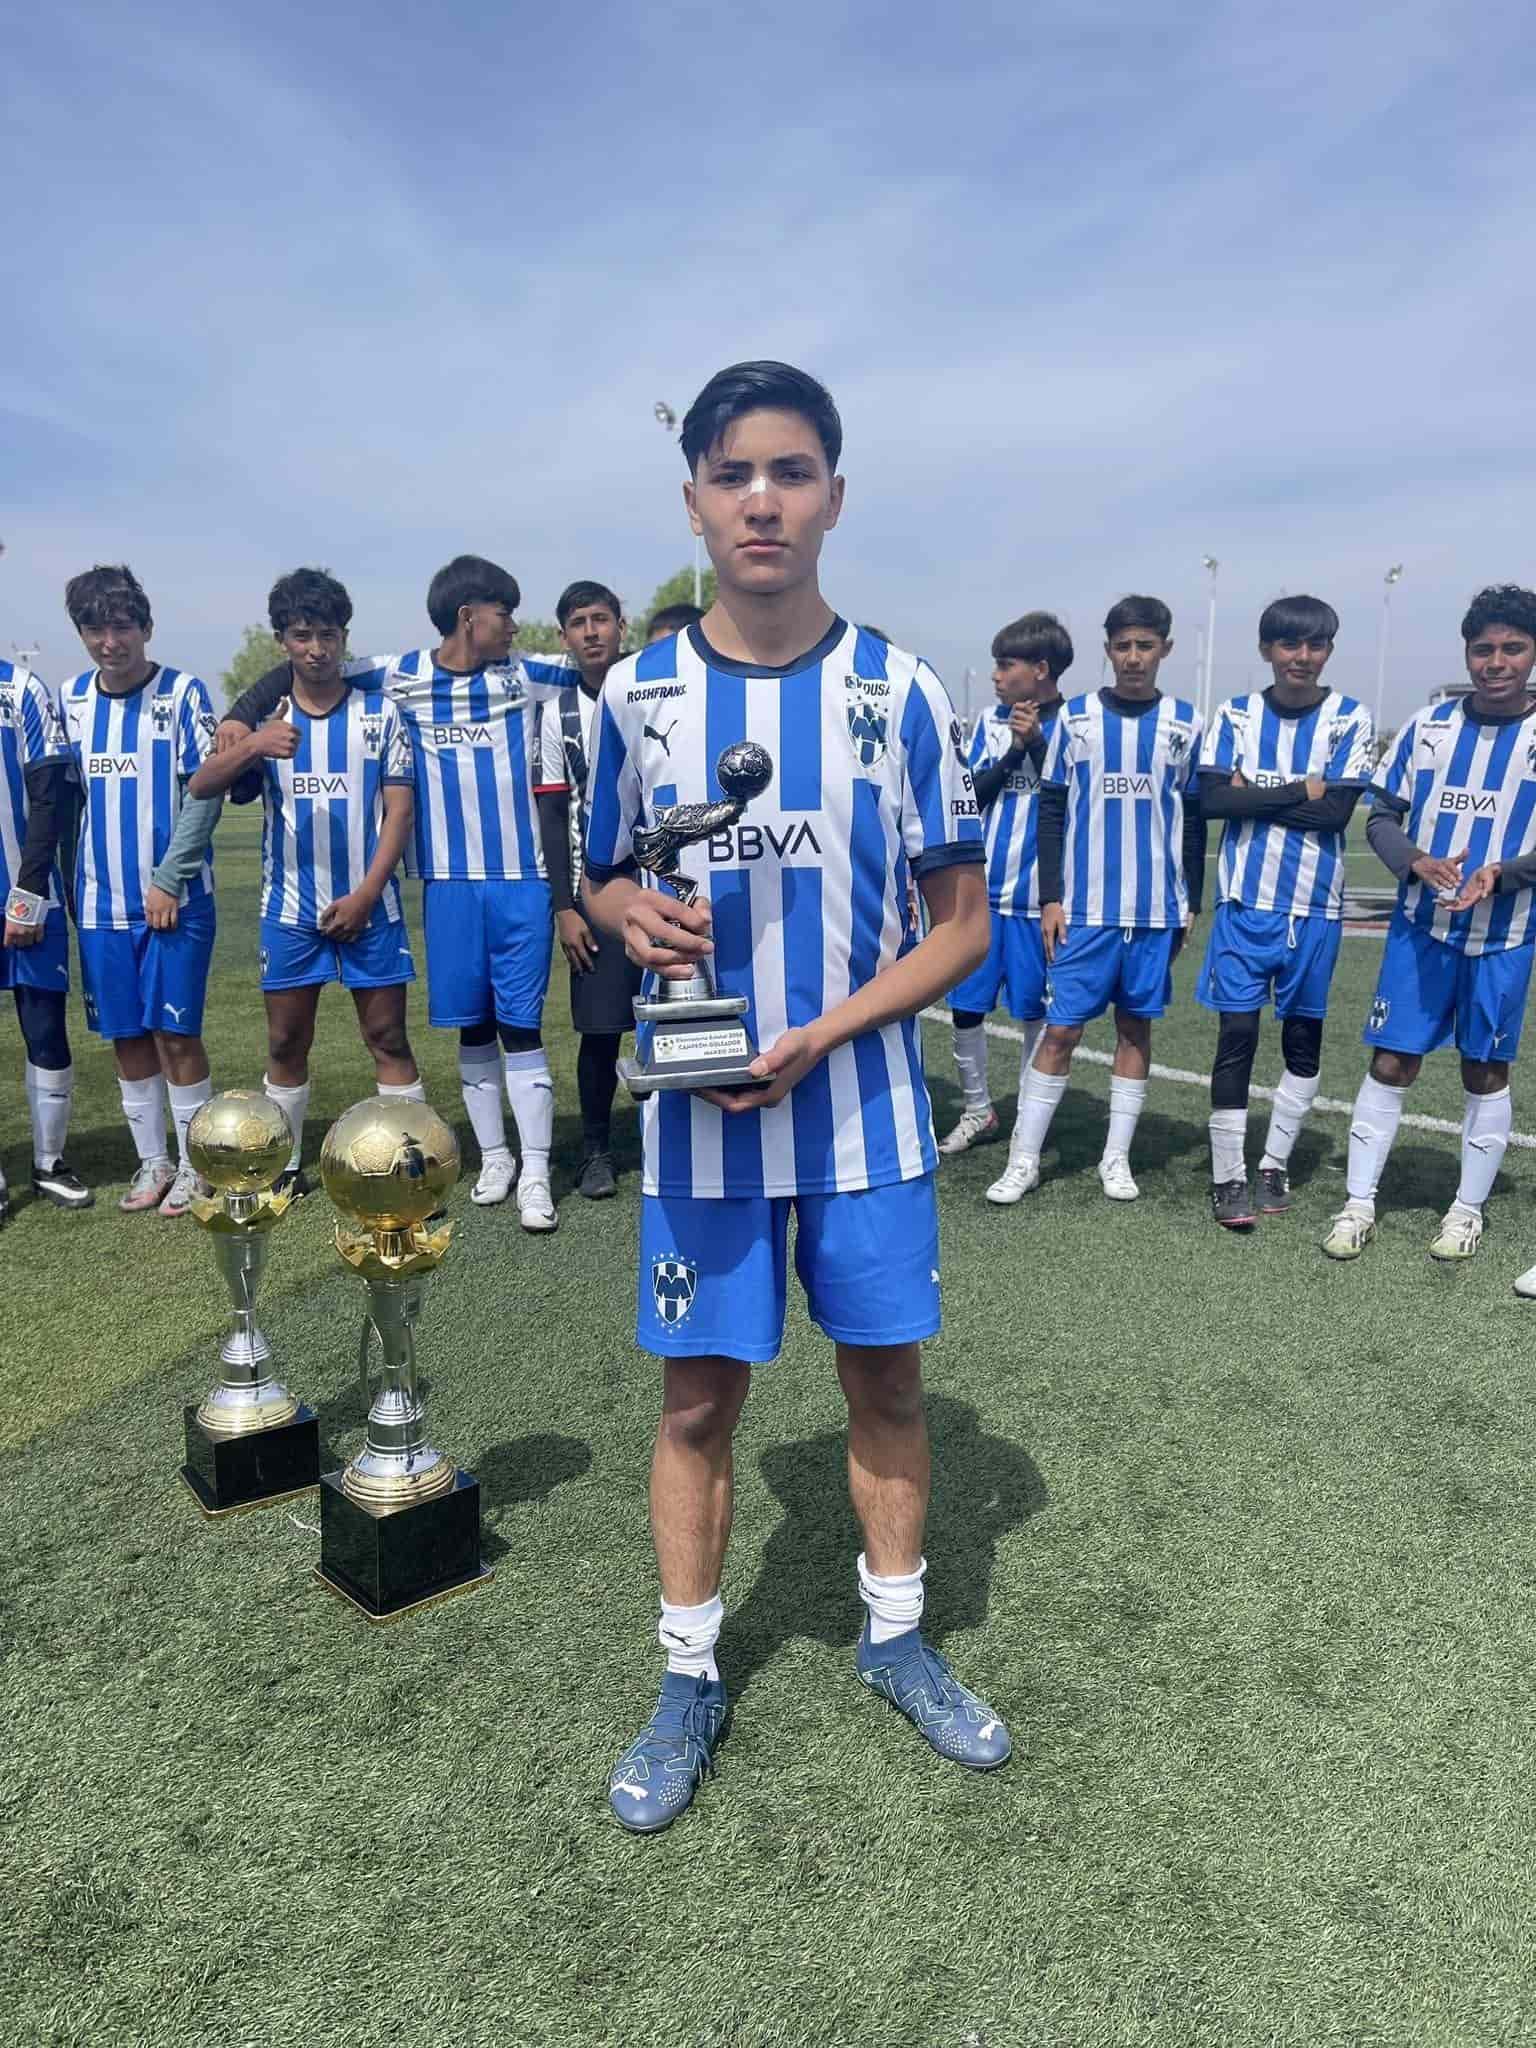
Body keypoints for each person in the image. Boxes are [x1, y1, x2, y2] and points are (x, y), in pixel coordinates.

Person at [583, 359, 1010, 1835]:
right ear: (693, 497)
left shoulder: (900, 689)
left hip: (866, 1115)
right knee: (699, 1398)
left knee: (885, 1379)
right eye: (732, 474)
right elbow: (606, 871)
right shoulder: (633, 693)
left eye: (791, 471)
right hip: (700, 1124)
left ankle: (895, 1638)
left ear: (834, 492)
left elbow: (965, 926)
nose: (761, 500)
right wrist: (621, 910)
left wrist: (827, 1031)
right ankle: (690, 1674)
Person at [218, 556, 571, 1232]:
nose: (514, 626)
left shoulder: (524, 675)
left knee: (519, 1028)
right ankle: (493, 1159)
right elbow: (298, 667)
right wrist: (241, 716)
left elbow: (598, 667)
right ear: (471, 616)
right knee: (471, 1027)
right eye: (505, 613)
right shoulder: (400, 675)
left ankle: (536, 1171)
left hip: (520, 878)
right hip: (444, 884)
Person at [189, 568, 423, 1197]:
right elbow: (201, 785)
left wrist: (368, 894)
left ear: (344, 637)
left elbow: (398, 812)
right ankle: (283, 1168)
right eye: (301, 635)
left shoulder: (381, 715)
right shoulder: (266, 721)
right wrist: (253, 744)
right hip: (288, 910)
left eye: (327, 634)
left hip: (371, 905)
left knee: (388, 1036)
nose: (316, 649)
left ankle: (408, 1168)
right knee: (287, 1041)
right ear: (282, 642)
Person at [1325, 585, 1536, 1264]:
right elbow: (1381, 815)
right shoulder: (1429, 727)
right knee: (1391, 1060)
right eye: (1484, 649)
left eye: (1513, 648)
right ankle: (1358, 1204)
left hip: (1504, 934)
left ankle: (1465, 1212)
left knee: (1485, 1070)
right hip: (1422, 929)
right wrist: (1414, 861)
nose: (1496, 662)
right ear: (1467, 653)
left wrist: (1502, 874)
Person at [999, 596, 1204, 1202]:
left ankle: (1116, 1160)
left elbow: (1192, 819)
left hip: (1155, 911)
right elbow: (1052, 809)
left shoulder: (1187, 723)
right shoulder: (1078, 719)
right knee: (1060, 1032)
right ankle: (1024, 1159)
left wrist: (1191, 899)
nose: (1134, 657)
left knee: (1135, 1031)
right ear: (1108, 649)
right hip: (1085, 911)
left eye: (1146, 645)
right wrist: (1052, 898)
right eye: (1123, 645)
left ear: (1165, 648)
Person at [1196, 597, 1375, 1227]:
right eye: (1288, 645)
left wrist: (1256, 798)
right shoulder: (1235, 714)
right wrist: (1301, 788)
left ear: (1328, 649)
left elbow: (1335, 817)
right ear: (1267, 649)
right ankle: (1228, 1177)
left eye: (1315, 645)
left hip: (1314, 909)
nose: (1301, 657)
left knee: (1303, 1043)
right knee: (1237, 1037)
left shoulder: (1351, 717)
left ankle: (1273, 1162)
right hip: (1245, 908)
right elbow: (1213, 802)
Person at [59, 565, 222, 1217]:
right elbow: (66, 804)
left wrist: (167, 880)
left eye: (121, 625)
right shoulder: (72, 699)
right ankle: (154, 1161)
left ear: (146, 628)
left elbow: (203, 796)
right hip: (100, 904)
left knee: (175, 1034)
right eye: (94, 628)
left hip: (174, 901)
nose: (109, 641)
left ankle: (196, 1164)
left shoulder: (182, 694)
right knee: (127, 1036)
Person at [935, 611, 1072, 1185]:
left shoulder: (1078, 724)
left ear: (1040, 670)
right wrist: (1015, 751)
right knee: (966, 1006)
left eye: (1005, 664)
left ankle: (1027, 1128)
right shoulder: (989, 724)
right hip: (984, 896)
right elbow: (971, 795)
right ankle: (978, 1108)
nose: (995, 674)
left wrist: (1039, 746)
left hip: (1037, 901)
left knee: (1033, 1012)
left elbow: (1071, 798)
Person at [534, 579, 643, 1199]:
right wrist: (564, 907)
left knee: (674, 1023)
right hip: (595, 896)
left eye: (601, 619)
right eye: (579, 622)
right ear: (564, 636)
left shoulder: (653, 692)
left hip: (662, 888)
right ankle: (596, 1152)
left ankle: (677, 1143)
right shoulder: (556, 714)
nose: (592, 632)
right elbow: (553, 815)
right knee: (600, 1032)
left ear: (621, 625)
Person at [0, 654, 92, 1220]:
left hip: (28, 894)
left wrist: (26, 896)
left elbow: (50, 800)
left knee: (44, 1030)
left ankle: (49, 1162)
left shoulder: (21, 689)